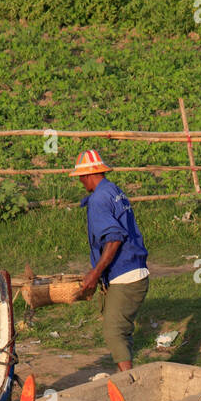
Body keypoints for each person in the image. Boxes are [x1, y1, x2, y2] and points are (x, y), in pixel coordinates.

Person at [71, 149, 149, 371]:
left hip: (125, 274)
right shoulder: (114, 190)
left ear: (86, 176)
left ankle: (128, 382)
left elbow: (114, 239)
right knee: (121, 329)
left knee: (113, 330)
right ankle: (125, 375)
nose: (80, 182)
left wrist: (95, 273)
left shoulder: (98, 199)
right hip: (136, 269)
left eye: (80, 177)